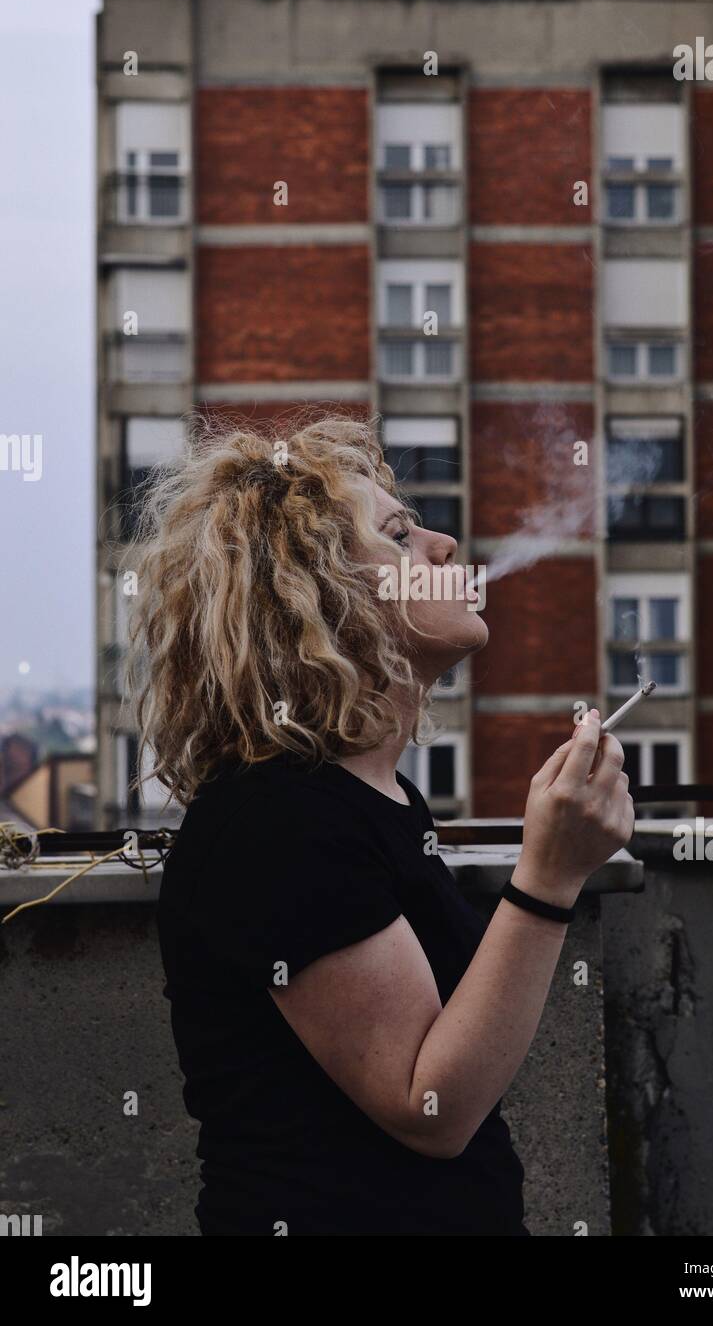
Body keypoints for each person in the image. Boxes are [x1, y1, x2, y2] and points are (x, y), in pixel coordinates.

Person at [130, 416, 633, 1236]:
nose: (441, 545)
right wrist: (550, 875)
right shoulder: (274, 821)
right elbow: (426, 1105)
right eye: (398, 534)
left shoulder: (373, 798)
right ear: (321, 596)